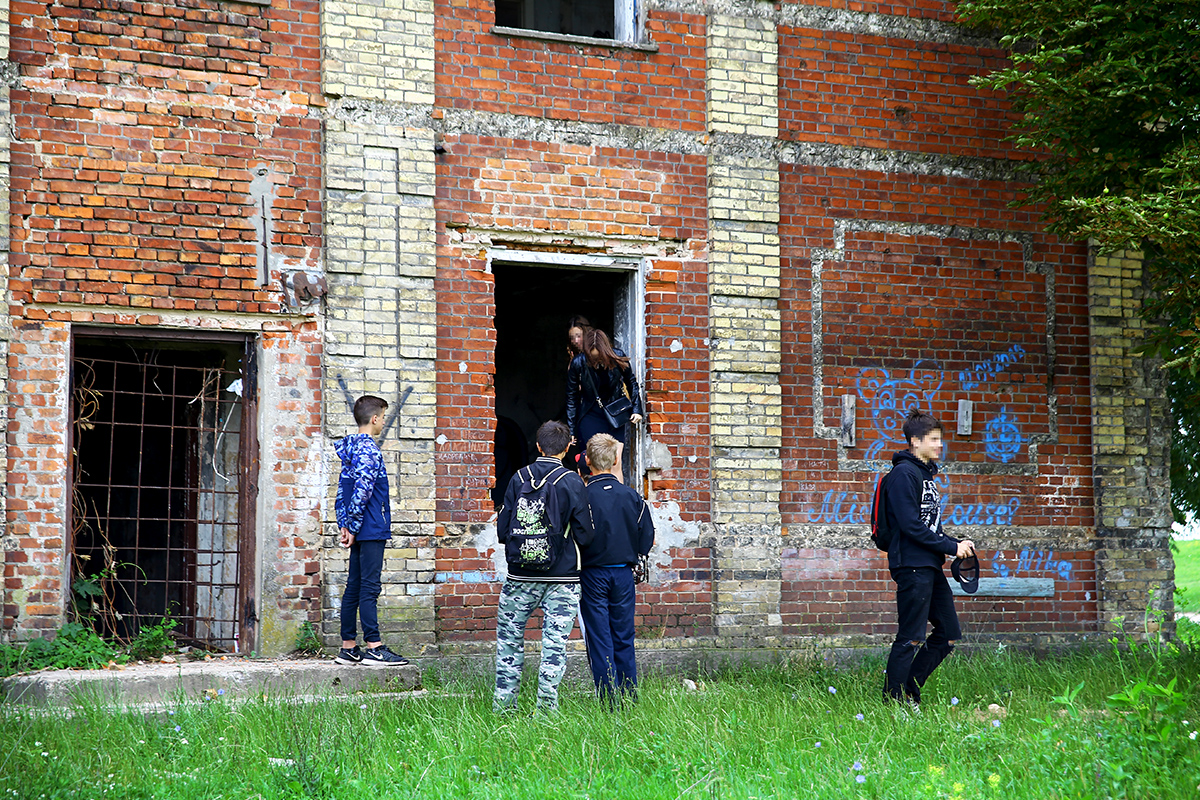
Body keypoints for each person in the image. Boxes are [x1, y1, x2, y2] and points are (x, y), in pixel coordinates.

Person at [494, 420, 595, 713]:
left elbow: (503, 531)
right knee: (554, 647)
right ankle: (546, 711)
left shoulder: (518, 478)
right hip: (562, 579)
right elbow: (586, 535)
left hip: (519, 576)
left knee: (509, 645)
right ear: (566, 449)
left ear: (537, 446)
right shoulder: (572, 481)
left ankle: (504, 708)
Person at [881, 409, 974, 705]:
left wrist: (955, 543)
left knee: (948, 633)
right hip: (911, 564)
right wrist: (950, 547)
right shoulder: (902, 475)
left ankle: (909, 687)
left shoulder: (925, 475)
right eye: (933, 439)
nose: (939, 445)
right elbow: (910, 526)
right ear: (915, 441)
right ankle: (894, 701)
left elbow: (929, 524)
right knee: (910, 636)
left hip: (929, 565)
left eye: (939, 439)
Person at [579, 433, 654, 707]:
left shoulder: (582, 497)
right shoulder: (632, 497)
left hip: (591, 574)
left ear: (587, 461)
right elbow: (646, 537)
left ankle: (608, 701)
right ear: (613, 461)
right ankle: (630, 696)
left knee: (599, 637)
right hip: (623, 574)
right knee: (624, 635)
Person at [333, 395, 409, 666]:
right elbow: (363, 492)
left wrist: (344, 523)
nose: (384, 422)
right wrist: (352, 526)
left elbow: (343, 491)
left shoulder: (351, 448)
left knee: (354, 586)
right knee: (369, 587)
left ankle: (349, 648)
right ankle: (375, 648)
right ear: (375, 418)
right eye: (384, 417)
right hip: (370, 528)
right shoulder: (369, 450)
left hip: (357, 528)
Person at [566, 329, 643, 481]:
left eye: (598, 358)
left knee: (615, 463)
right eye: (592, 358)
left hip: (615, 416)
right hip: (590, 415)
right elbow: (571, 396)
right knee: (588, 464)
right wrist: (571, 428)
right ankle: (589, 503)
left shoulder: (617, 357)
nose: (596, 362)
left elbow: (632, 383)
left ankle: (617, 501)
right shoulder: (578, 363)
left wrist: (636, 408)